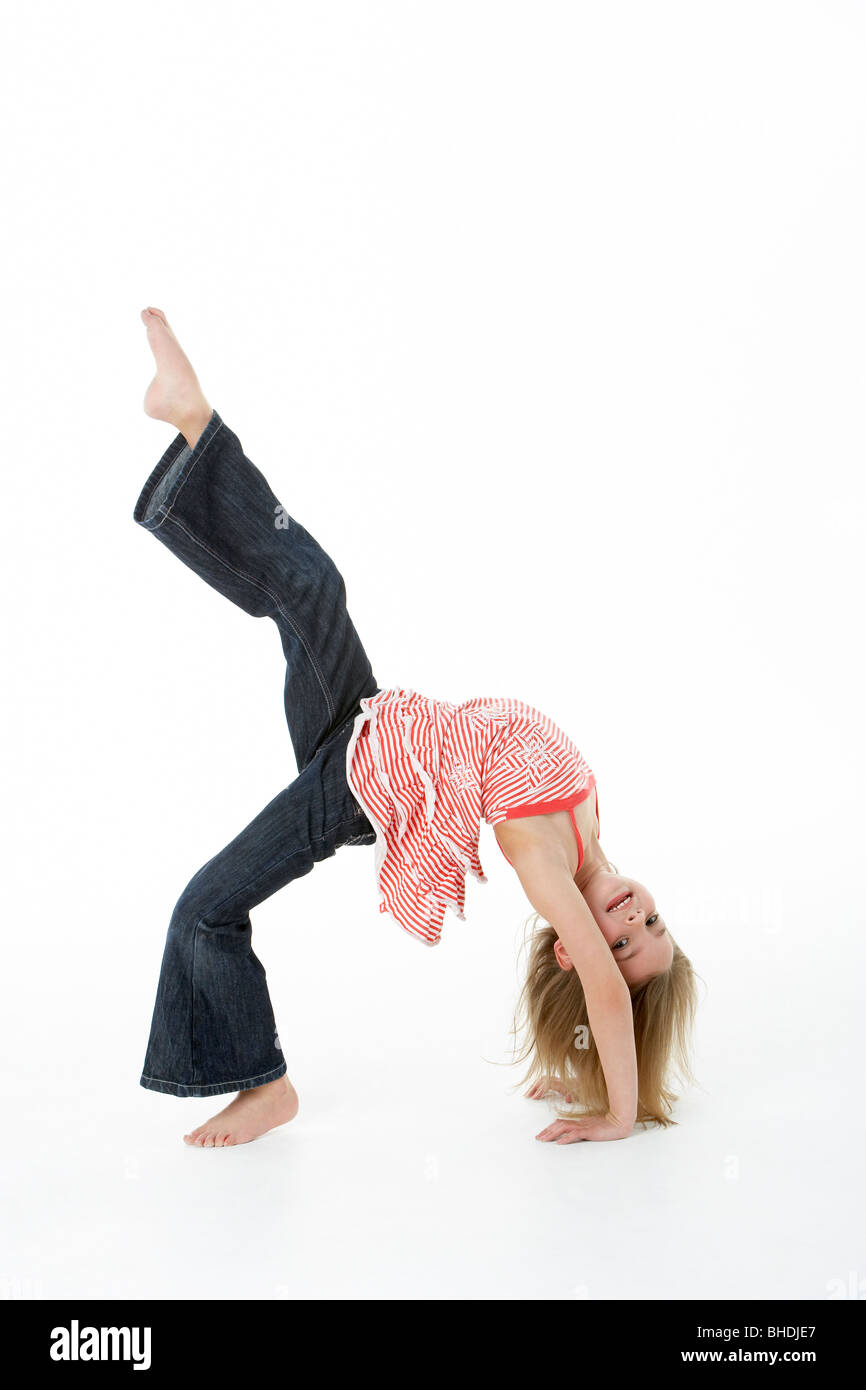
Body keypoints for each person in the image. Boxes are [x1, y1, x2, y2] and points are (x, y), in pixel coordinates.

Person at [135, 307, 698, 1149]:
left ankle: (265, 1085)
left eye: (617, 944)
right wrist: (578, 1061)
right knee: (313, 585)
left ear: (576, 952)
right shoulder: (588, 830)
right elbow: (604, 999)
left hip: (362, 788)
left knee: (204, 909)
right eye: (653, 926)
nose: (631, 920)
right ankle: (193, 421)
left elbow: (607, 997)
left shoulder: (544, 864)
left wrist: (619, 1114)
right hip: (376, 723)